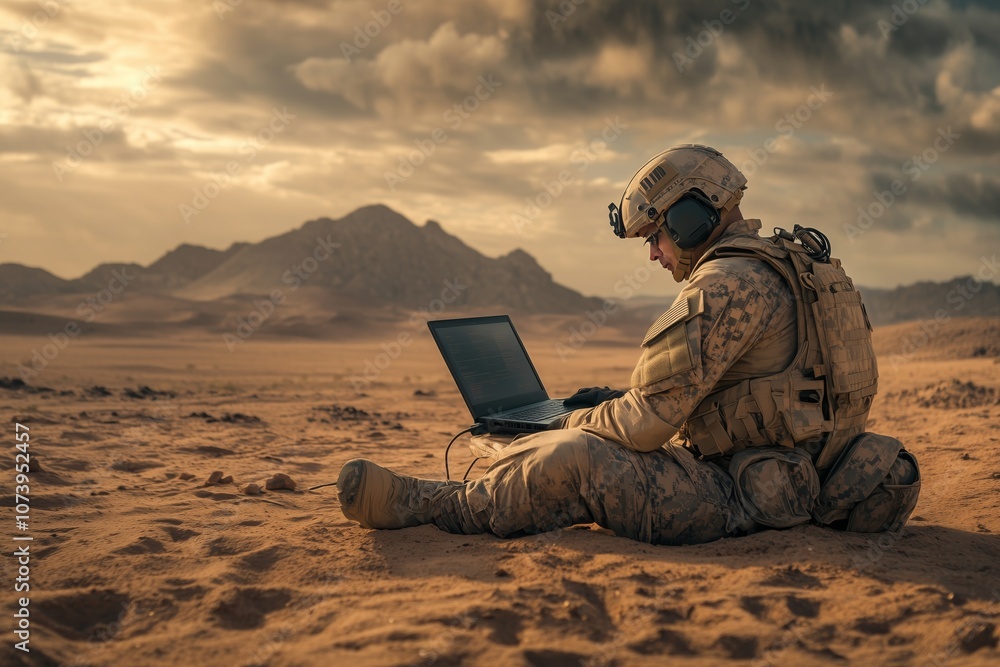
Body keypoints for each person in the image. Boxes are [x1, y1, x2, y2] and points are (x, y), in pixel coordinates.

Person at [337, 144, 920, 545]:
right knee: (590, 425)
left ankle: (437, 505)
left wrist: (566, 424)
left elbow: (643, 426)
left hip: (746, 493)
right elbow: (766, 393)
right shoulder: (794, 266)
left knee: (576, 456)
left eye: (657, 234)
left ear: (692, 217)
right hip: (805, 472)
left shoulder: (723, 287)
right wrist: (607, 402)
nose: (654, 253)